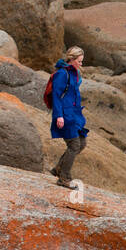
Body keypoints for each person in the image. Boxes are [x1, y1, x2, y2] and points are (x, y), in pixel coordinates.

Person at [49, 46, 86, 188]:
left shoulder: (75, 73)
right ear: (72, 59)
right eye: (80, 61)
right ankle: (64, 178)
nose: (81, 64)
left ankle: (58, 168)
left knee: (81, 143)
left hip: (74, 114)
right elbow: (56, 96)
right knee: (74, 144)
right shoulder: (62, 74)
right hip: (64, 114)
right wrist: (59, 116)